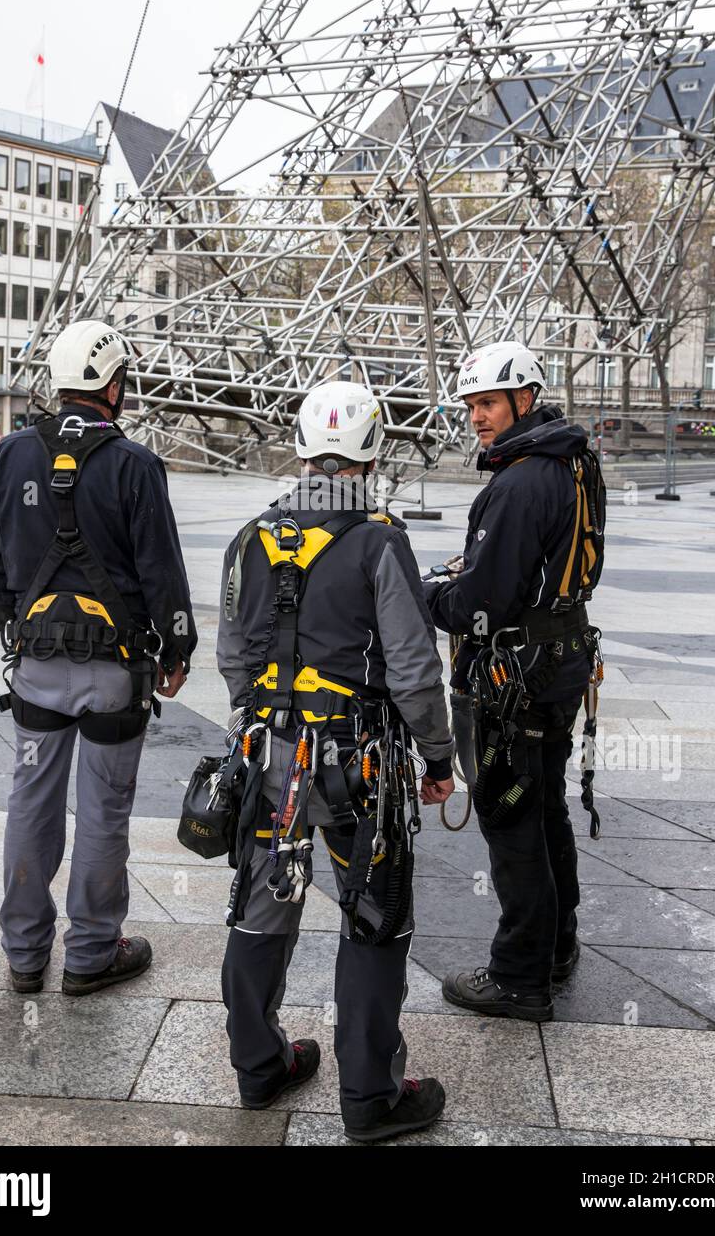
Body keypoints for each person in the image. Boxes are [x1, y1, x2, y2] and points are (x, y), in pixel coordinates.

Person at [216, 379, 455, 1143]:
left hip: (269, 758)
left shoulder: (251, 537)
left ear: (301, 450)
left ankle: (260, 1066)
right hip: (360, 765)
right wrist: (439, 756)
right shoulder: (381, 539)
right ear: (372, 454)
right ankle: (370, 1096)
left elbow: (233, 655)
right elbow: (413, 669)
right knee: (376, 913)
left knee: (261, 905)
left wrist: (261, 726)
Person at [0, 319, 197, 997]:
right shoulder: (134, 464)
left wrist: (17, 628)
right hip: (113, 675)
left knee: (30, 803)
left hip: (37, 671)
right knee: (103, 813)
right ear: (114, 385)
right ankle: (92, 953)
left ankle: (24, 953)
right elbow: (162, 570)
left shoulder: (8, 455)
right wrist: (177, 646)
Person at [423, 340, 604, 1023]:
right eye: (471, 405)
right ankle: (558, 945)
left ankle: (520, 976)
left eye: (489, 403)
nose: (477, 417)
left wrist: (426, 595)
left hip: (516, 677)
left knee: (510, 817)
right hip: (561, 658)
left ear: (525, 399)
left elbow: (483, 603)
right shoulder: (574, 463)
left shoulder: (521, 482)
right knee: (546, 803)